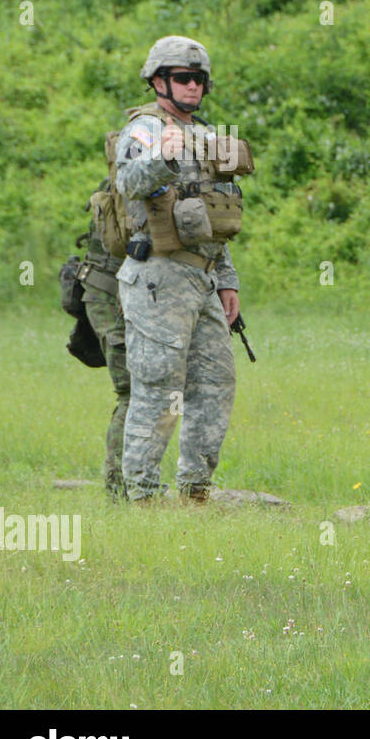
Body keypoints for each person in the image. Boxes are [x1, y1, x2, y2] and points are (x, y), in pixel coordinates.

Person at [113, 35, 252, 503]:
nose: (193, 85)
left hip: (203, 276)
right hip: (158, 277)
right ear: (158, 82)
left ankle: (195, 492)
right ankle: (143, 498)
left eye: (199, 78)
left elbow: (214, 213)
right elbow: (128, 181)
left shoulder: (208, 135)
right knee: (157, 389)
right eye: (182, 77)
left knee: (215, 382)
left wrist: (226, 281)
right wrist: (165, 155)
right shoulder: (146, 130)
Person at [79, 198, 130, 501]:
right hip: (109, 296)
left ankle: (132, 483)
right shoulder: (130, 184)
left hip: (115, 293)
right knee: (132, 391)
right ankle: (118, 488)